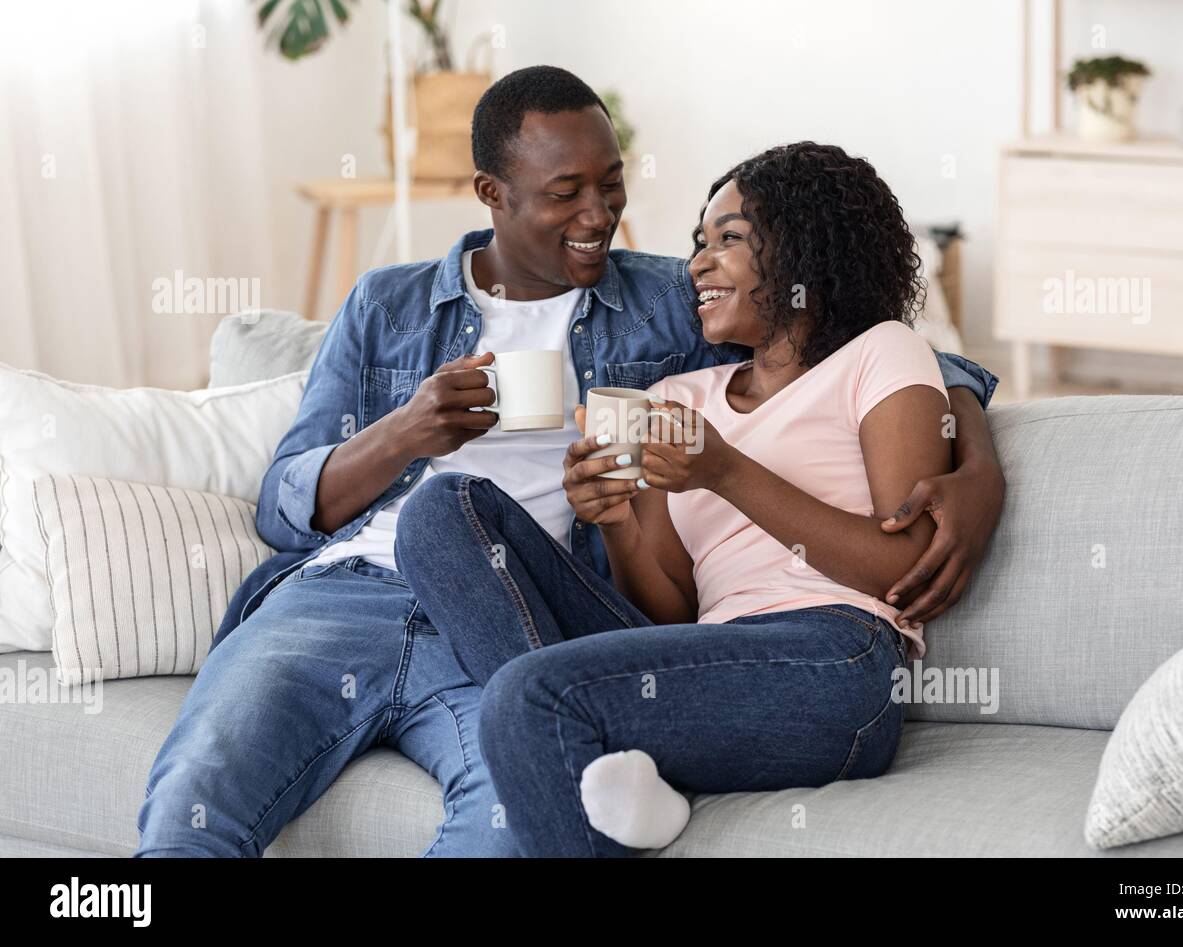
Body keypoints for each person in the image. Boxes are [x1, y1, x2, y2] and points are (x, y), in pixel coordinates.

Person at [135, 66, 1001, 858]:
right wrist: (405, 432)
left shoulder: (666, 300)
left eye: (612, 186)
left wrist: (977, 462)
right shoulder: (389, 305)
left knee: (511, 799)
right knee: (194, 805)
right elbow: (283, 505)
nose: (599, 215)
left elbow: (860, 334)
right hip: (352, 594)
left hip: (521, 615)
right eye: (565, 192)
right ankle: (600, 756)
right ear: (491, 194)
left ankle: (594, 756)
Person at [398, 141, 967, 856]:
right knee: (441, 509)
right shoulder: (676, 399)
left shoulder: (883, 353)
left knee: (524, 697)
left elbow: (906, 568)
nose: (697, 262)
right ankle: (599, 766)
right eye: (699, 241)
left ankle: (573, 749)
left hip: (834, 660)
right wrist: (611, 520)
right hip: (706, 650)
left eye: (728, 239)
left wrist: (726, 472)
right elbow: (667, 613)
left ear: (807, 254)